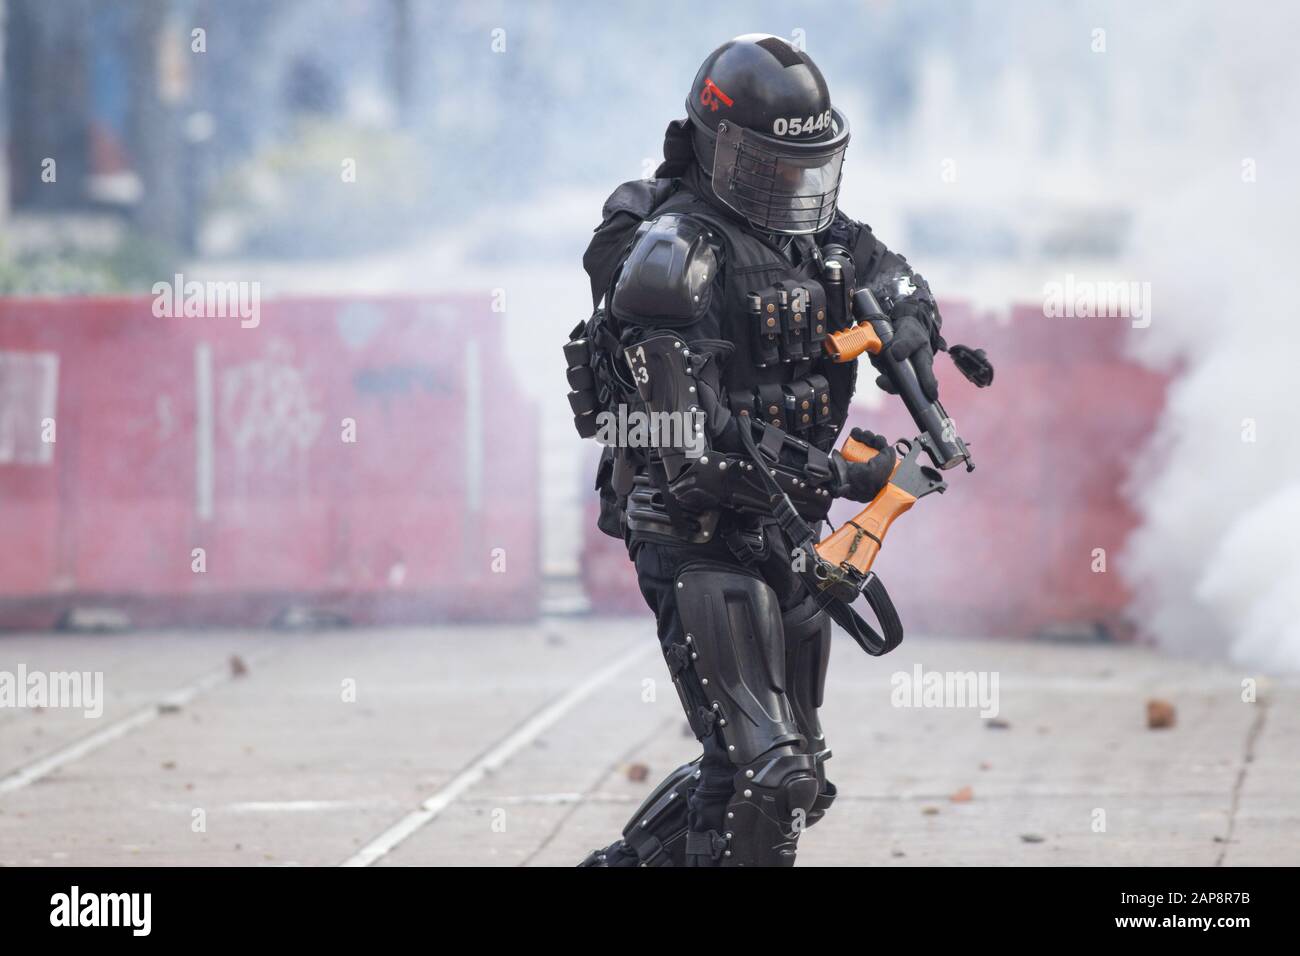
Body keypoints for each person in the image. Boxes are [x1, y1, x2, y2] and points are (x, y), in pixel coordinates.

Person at [571, 34, 948, 866]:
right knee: (770, 776)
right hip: (693, 528)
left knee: (789, 775)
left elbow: (893, 273)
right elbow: (693, 461)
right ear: (716, 147)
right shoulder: (670, 254)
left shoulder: (811, 232)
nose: (790, 185)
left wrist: (912, 321)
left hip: (783, 526)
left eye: (804, 167)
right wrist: (851, 476)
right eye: (770, 166)